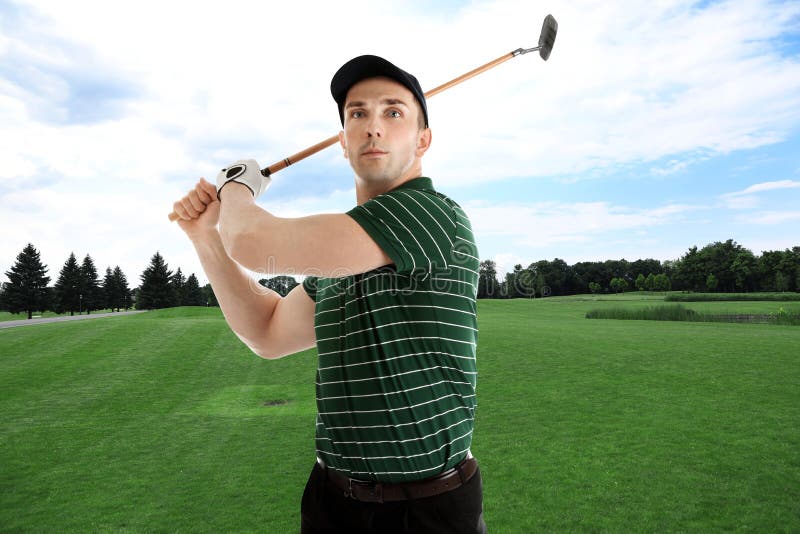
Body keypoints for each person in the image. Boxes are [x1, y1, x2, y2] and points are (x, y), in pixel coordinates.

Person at [172, 54, 486, 533]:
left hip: (426, 508)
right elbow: (267, 332)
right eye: (358, 113)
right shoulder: (345, 251)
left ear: (423, 140)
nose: (373, 126)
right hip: (333, 501)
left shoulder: (430, 213)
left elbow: (253, 241)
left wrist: (236, 186)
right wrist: (206, 237)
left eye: (393, 112)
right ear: (343, 142)